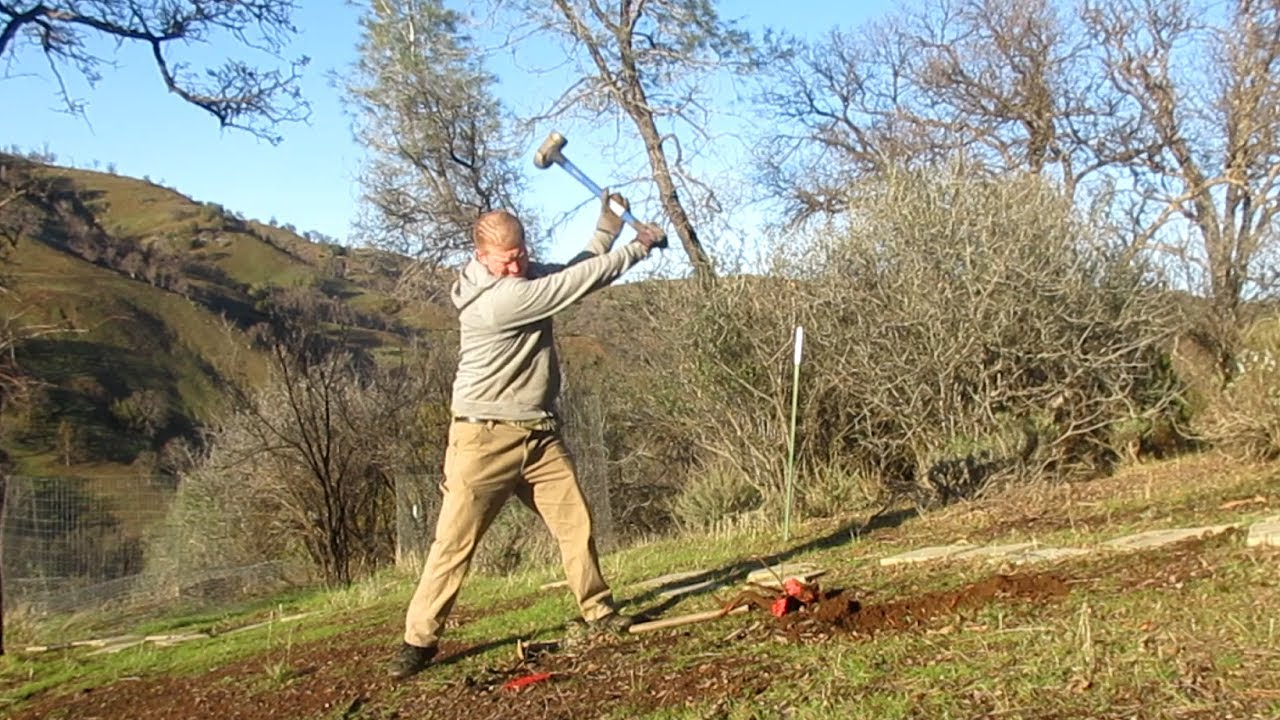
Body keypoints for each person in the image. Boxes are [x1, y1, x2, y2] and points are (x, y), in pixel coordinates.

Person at [389, 192, 666, 680]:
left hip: (537, 433)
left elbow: (572, 268)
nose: (517, 265)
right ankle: (418, 641)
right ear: (481, 256)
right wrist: (637, 248)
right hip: (482, 441)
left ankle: (598, 613)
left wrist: (607, 227)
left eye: (521, 255)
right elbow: (575, 285)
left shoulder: (522, 277)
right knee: (454, 544)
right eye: (506, 259)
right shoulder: (496, 301)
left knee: (575, 523)